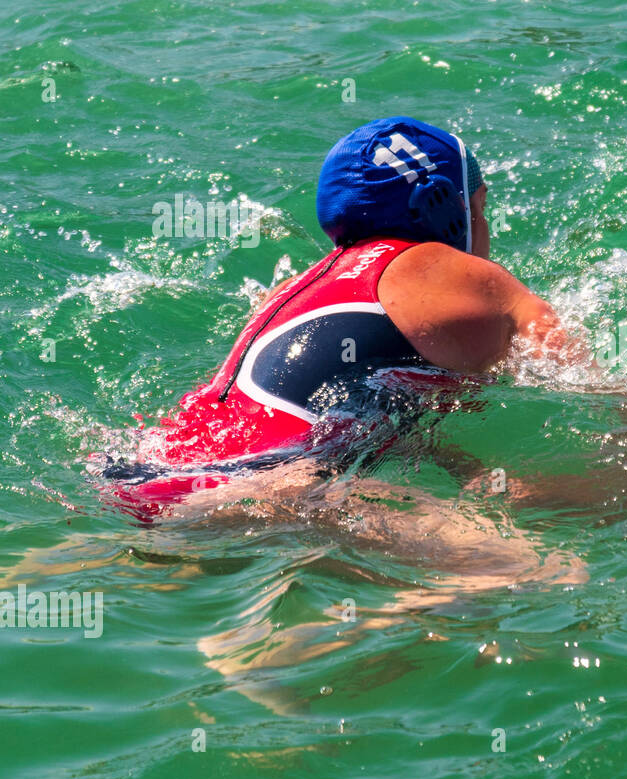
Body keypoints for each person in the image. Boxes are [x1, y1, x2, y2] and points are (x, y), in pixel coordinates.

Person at [101, 116, 586, 521]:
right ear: (445, 209)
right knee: (538, 570)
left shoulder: (300, 288)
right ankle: (265, 639)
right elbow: (587, 397)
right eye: (479, 210)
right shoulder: (453, 272)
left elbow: (359, 416)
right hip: (267, 482)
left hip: (143, 473)